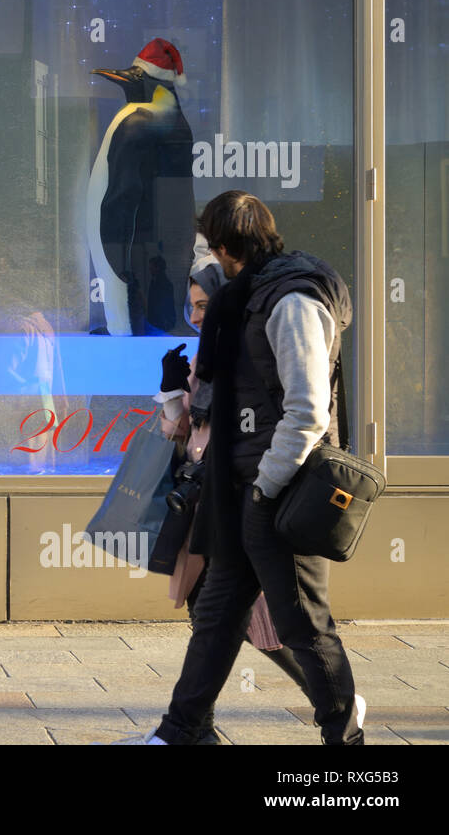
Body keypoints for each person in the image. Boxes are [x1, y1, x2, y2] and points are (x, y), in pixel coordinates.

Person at [135, 191, 364, 745]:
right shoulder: (251, 297)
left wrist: (264, 489)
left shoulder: (292, 301)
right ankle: (181, 733)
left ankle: (348, 745)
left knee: (303, 625)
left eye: (209, 245)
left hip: (277, 492)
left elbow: (307, 411)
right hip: (241, 488)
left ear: (225, 246)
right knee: (215, 617)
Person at [128, 238, 314, 744]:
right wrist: (172, 391)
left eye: (204, 305)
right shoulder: (204, 359)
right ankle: (196, 726)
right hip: (200, 499)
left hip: (236, 498)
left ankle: (331, 701)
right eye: (190, 307)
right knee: (208, 612)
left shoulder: (245, 350)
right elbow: (180, 431)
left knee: (252, 622)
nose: (195, 315)